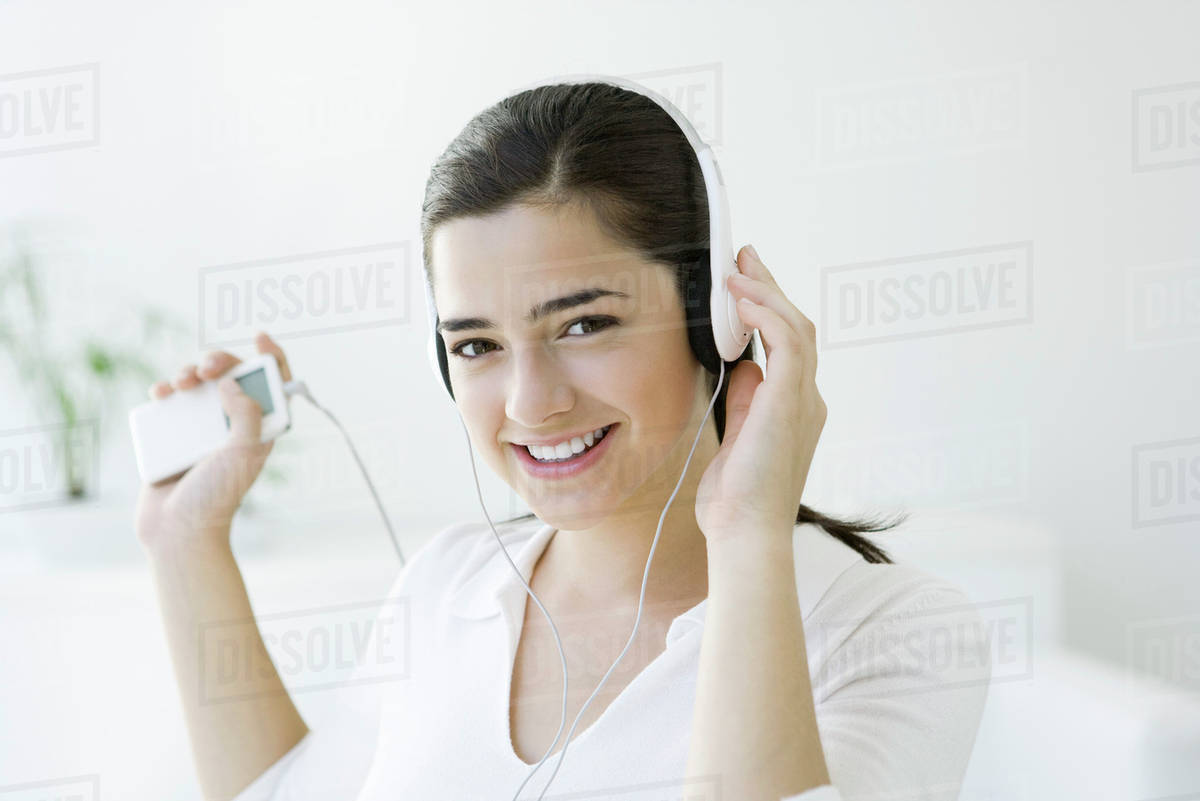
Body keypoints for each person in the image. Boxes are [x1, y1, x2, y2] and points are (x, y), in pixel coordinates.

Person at [136, 82, 990, 801]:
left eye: (584, 324)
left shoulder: (890, 629)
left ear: (715, 319)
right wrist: (185, 543)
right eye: (478, 345)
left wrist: (747, 535)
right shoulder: (446, 584)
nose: (531, 401)